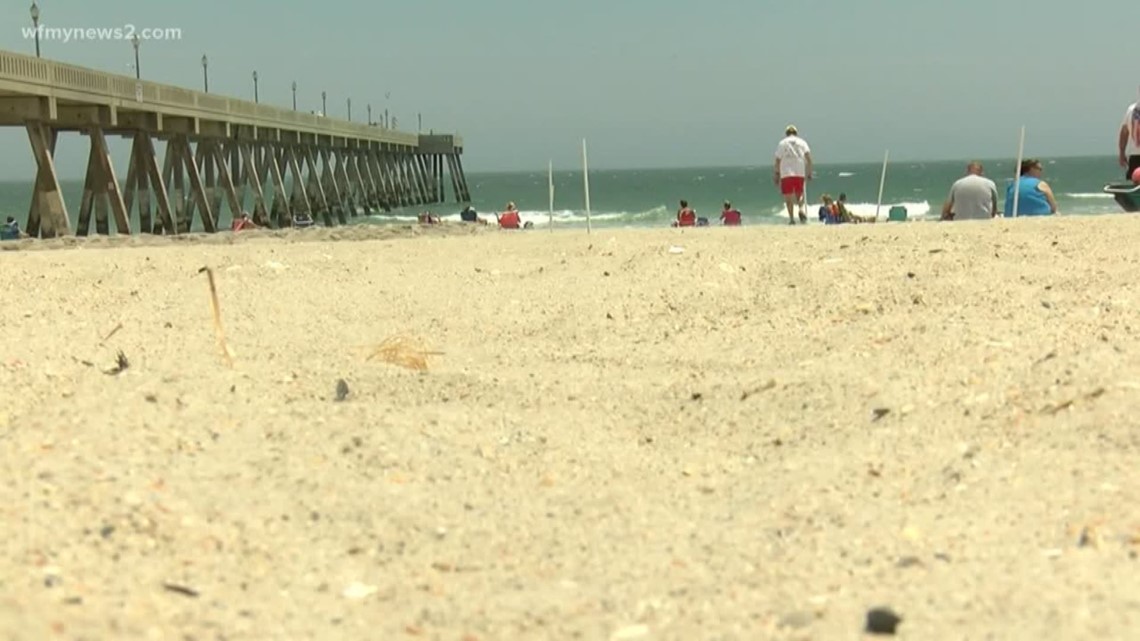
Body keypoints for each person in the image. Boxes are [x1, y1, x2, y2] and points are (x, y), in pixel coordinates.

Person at [773, 125, 812, 224]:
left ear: (786, 133)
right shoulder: (802, 142)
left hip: (786, 173)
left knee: (788, 197)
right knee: (800, 194)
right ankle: (801, 209)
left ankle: (791, 219)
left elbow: (777, 160)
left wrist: (776, 174)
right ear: (796, 133)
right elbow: (809, 159)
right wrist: (809, 172)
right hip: (799, 171)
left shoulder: (782, 143)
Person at [1119, 100, 1140, 179]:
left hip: (1134, 157)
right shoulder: (1131, 110)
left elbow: (1124, 131)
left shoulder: (1131, 109)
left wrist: (1122, 152)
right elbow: (1124, 131)